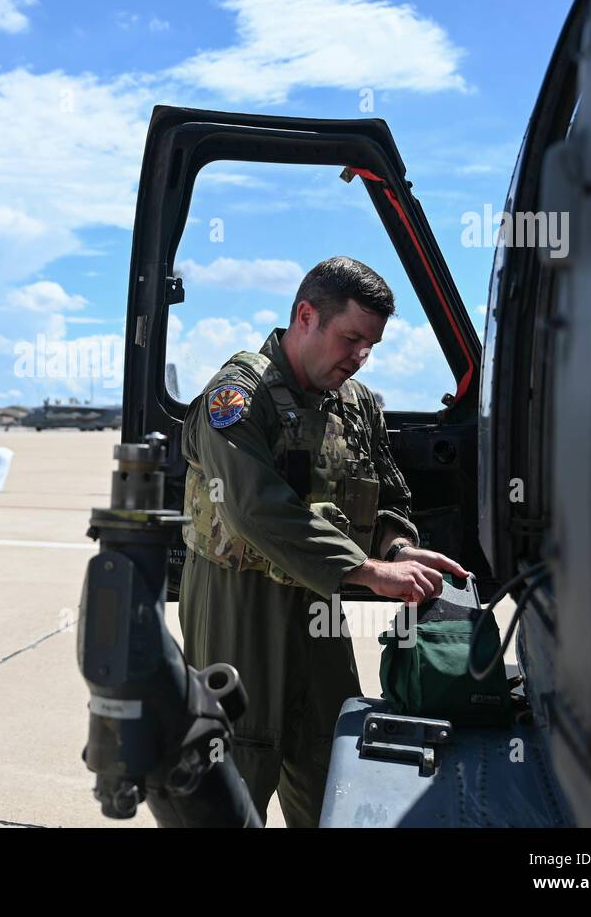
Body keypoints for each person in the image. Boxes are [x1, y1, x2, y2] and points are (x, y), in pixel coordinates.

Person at [178, 256, 468, 827]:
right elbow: (255, 509)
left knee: (331, 753)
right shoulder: (237, 396)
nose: (359, 356)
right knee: (238, 759)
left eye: (371, 346)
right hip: (240, 603)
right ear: (306, 316)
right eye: (351, 338)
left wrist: (397, 552)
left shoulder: (356, 403)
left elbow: (385, 496)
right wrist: (364, 572)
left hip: (320, 602)